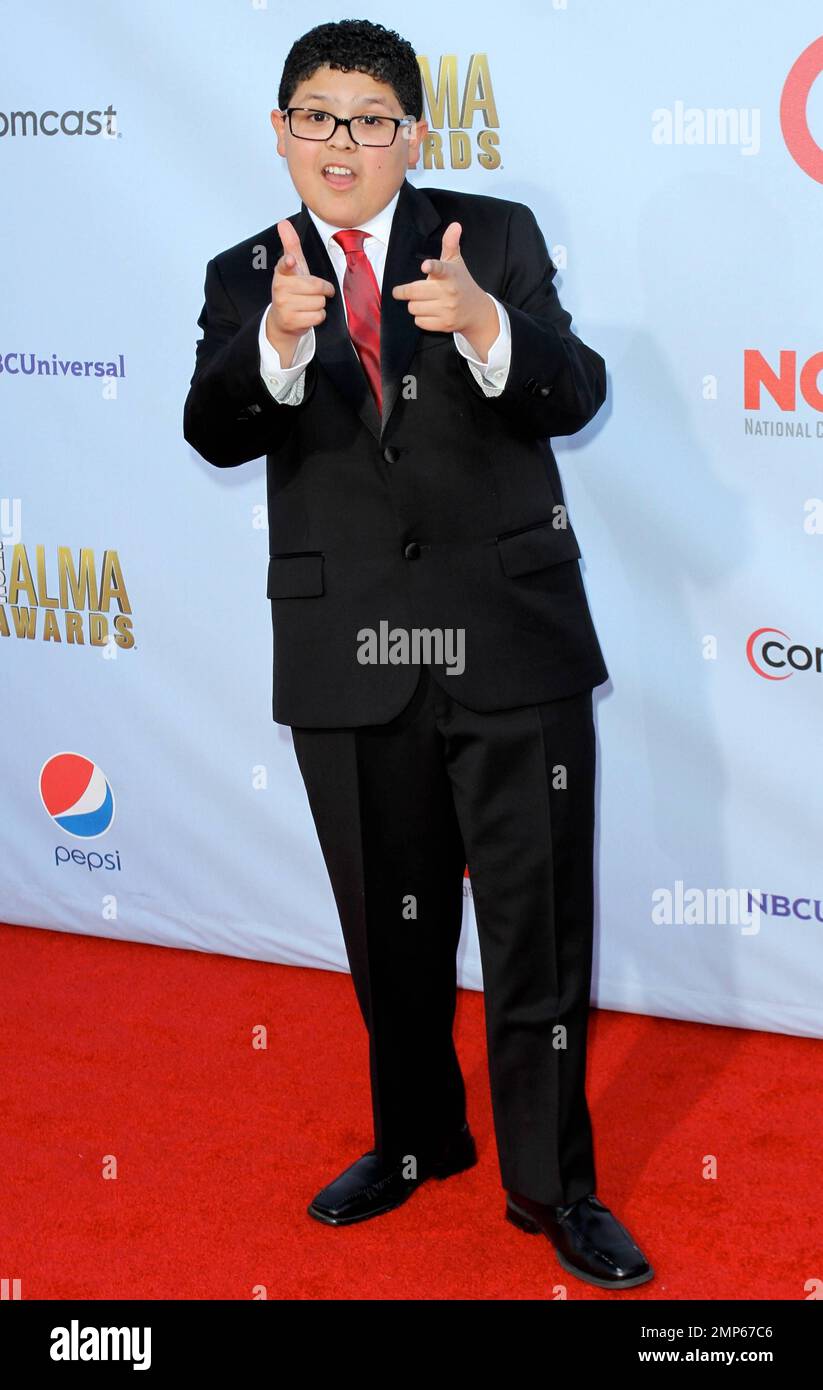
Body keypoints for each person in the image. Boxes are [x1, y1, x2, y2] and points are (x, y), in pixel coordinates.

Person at [183, 17, 653, 1291]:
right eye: (319, 116)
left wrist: (490, 324)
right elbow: (211, 432)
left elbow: (575, 394)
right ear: (281, 130)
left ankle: (554, 1186)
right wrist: (275, 346)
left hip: (512, 641)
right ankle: (413, 1143)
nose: (344, 141)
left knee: (536, 931)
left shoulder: (488, 236)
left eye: (372, 117)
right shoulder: (248, 272)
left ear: (414, 133)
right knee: (389, 932)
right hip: (348, 651)